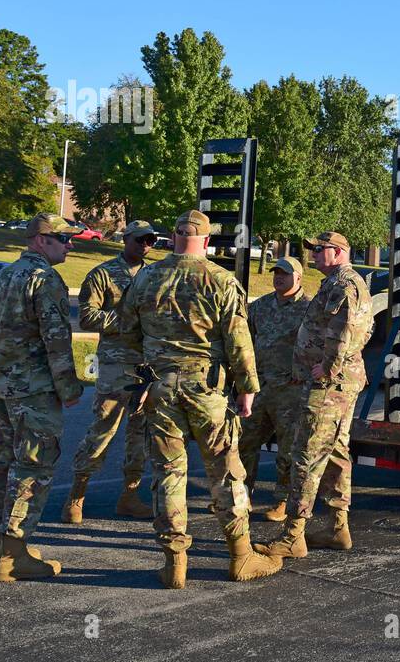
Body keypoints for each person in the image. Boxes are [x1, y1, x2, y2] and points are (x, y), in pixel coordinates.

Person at [119, 210, 281, 589]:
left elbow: (127, 331)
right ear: (207, 241)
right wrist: (247, 390)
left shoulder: (146, 276)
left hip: (160, 387)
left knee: (168, 475)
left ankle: (175, 562)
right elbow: (239, 342)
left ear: (174, 237)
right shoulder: (221, 280)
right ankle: (241, 556)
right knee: (226, 471)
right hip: (207, 391)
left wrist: (144, 374)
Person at [0, 214, 83, 582]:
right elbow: (56, 339)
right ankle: (13, 554)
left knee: (4, 464)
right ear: (40, 241)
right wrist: (68, 389)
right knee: (33, 467)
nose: (70, 244)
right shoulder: (44, 279)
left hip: (4, 387)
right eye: (63, 238)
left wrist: (3, 370)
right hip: (35, 391)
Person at [257, 231, 372, 559]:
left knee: (305, 454)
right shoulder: (339, 281)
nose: (313, 255)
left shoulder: (343, 285)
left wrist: (329, 366)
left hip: (329, 387)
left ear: (337, 252)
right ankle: (338, 527)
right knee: (335, 452)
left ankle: (293, 534)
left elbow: (344, 330)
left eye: (319, 250)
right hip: (337, 383)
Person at [61, 220, 156, 524]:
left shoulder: (154, 274)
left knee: (140, 434)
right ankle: (76, 497)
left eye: (150, 240)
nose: (145, 245)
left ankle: (129, 496)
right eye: (140, 239)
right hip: (116, 365)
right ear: (125, 239)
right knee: (103, 430)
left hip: (148, 367)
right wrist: (128, 321)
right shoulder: (102, 274)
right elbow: (87, 317)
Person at [239, 256, 310, 521]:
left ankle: (282, 501)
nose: (279, 277)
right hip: (259, 386)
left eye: (285, 273)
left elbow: (319, 344)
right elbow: (245, 339)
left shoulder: (309, 308)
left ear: (299, 278)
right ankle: (242, 496)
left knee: (288, 450)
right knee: (245, 441)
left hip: (290, 390)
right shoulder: (260, 306)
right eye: (276, 273)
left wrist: (301, 371)